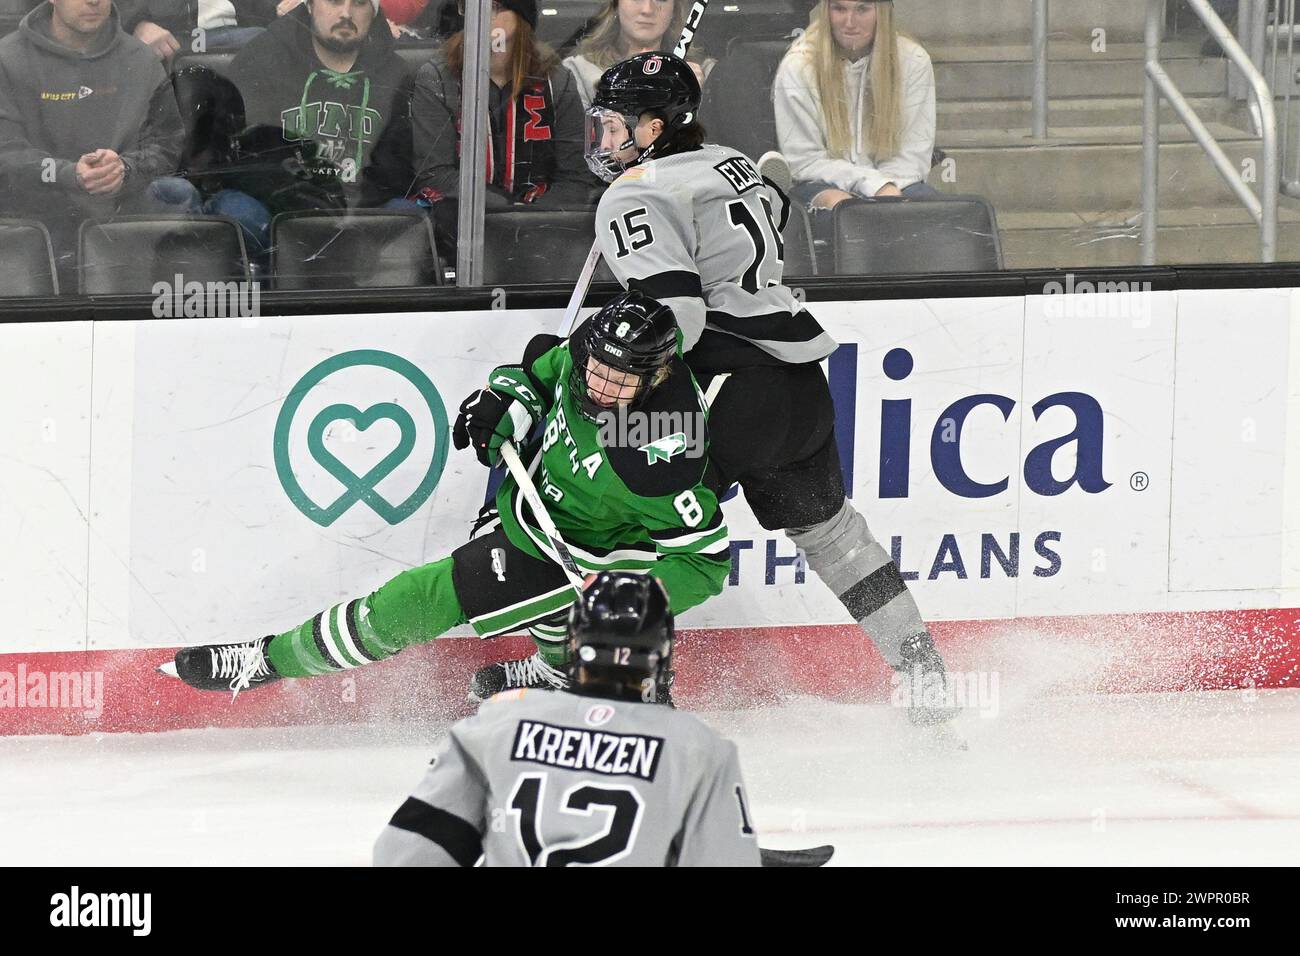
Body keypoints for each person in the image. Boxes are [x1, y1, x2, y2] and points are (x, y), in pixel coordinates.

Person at [477, 51, 957, 726]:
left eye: (618, 126)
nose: (606, 140)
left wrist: (571, 353)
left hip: (721, 392)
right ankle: (923, 673)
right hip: (797, 387)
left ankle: (598, 684)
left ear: (657, 127)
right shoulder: (730, 160)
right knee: (834, 537)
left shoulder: (633, 193)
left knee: (599, 520)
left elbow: (679, 317)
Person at [169, 291, 731, 702]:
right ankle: (562, 674)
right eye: (597, 368)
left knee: (421, 598)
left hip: (582, 553)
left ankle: (266, 660)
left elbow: (705, 566)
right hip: (532, 506)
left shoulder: (657, 455)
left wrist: (629, 602)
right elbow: (540, 373)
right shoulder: (590, 355)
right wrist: (506, 403)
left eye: (620, 380)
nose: (599, 386)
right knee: (541, 607)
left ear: (656, 378)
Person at [374, 570, 761, 867]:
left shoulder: (499, 722)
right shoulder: (698, 748)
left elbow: (408, 852)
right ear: (663, 650)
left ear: (573, 640)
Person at [0, 0, 200, 277]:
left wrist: (125, 168)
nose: (93, 1)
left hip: (122, 208)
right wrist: (67, 174)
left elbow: (167, 143)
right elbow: (6, 151)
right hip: (35, 211)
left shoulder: (141, 59)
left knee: (177, 193)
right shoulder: (7, 59)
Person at [210, 0, 414, 259]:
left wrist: (351, 209)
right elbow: (242, 155)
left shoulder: (396, 74)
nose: (345, 13)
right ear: (309, 6)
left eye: (360, 3)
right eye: (334, 1)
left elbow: (398, 169)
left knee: (408, 213)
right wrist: (302, 200)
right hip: (277, 206)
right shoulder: (260, 59)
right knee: (236, 209)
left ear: (373, 14)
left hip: (362, 212)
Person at [407, 0, 596, 261]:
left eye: (497, 7)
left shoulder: (556, 79)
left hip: (544, 227)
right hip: (460, 224)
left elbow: (575, 176)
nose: (484, 17)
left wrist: (533, 219)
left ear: (521, 16)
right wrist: (506, 211)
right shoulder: (437, 76)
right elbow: (434, 173)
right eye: (472, 7)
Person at [773, 0, 938, 210]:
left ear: (881, 11)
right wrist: (871, 185)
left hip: (897, 182)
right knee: (841, 206)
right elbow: (804, 162)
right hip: (821, 183)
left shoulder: (914, 60)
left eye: (862, 9)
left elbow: (911, 158)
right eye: (839, 9)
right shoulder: (798, 65)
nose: (849, 22)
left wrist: (883, 191)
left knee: (930, 214)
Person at [561, 0, 714, 111]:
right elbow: (580, 145)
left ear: (674, 10)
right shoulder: (577, 72)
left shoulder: (703, 72)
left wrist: (694, 100)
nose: (647, 9)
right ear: (616, 5)